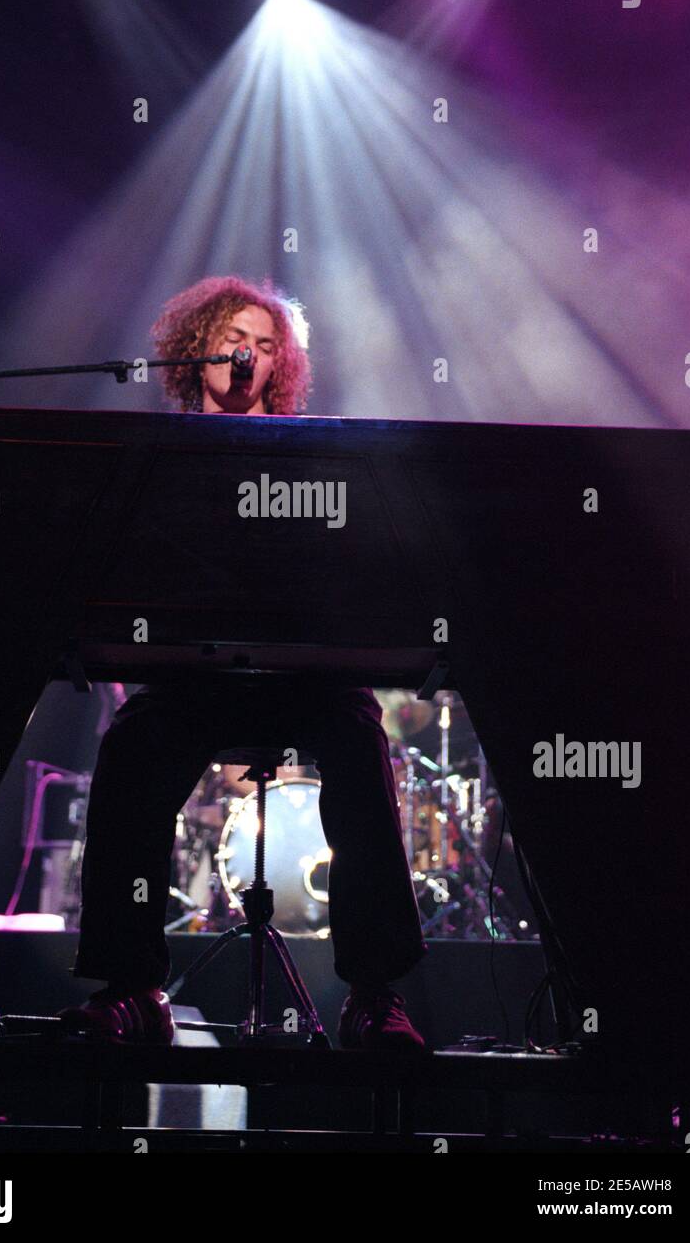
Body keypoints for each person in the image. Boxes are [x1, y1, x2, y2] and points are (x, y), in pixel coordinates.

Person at [61, 276, 427, 1049]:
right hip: (194, 675)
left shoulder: (313, 449)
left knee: (361, 739)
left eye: (264, 345)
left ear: (278, 366)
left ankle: (373, 995)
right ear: (193, 350)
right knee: (130, 746)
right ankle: (131, 990)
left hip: (305, 674)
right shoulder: (157, 455)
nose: (246, 354)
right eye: (233, 338)